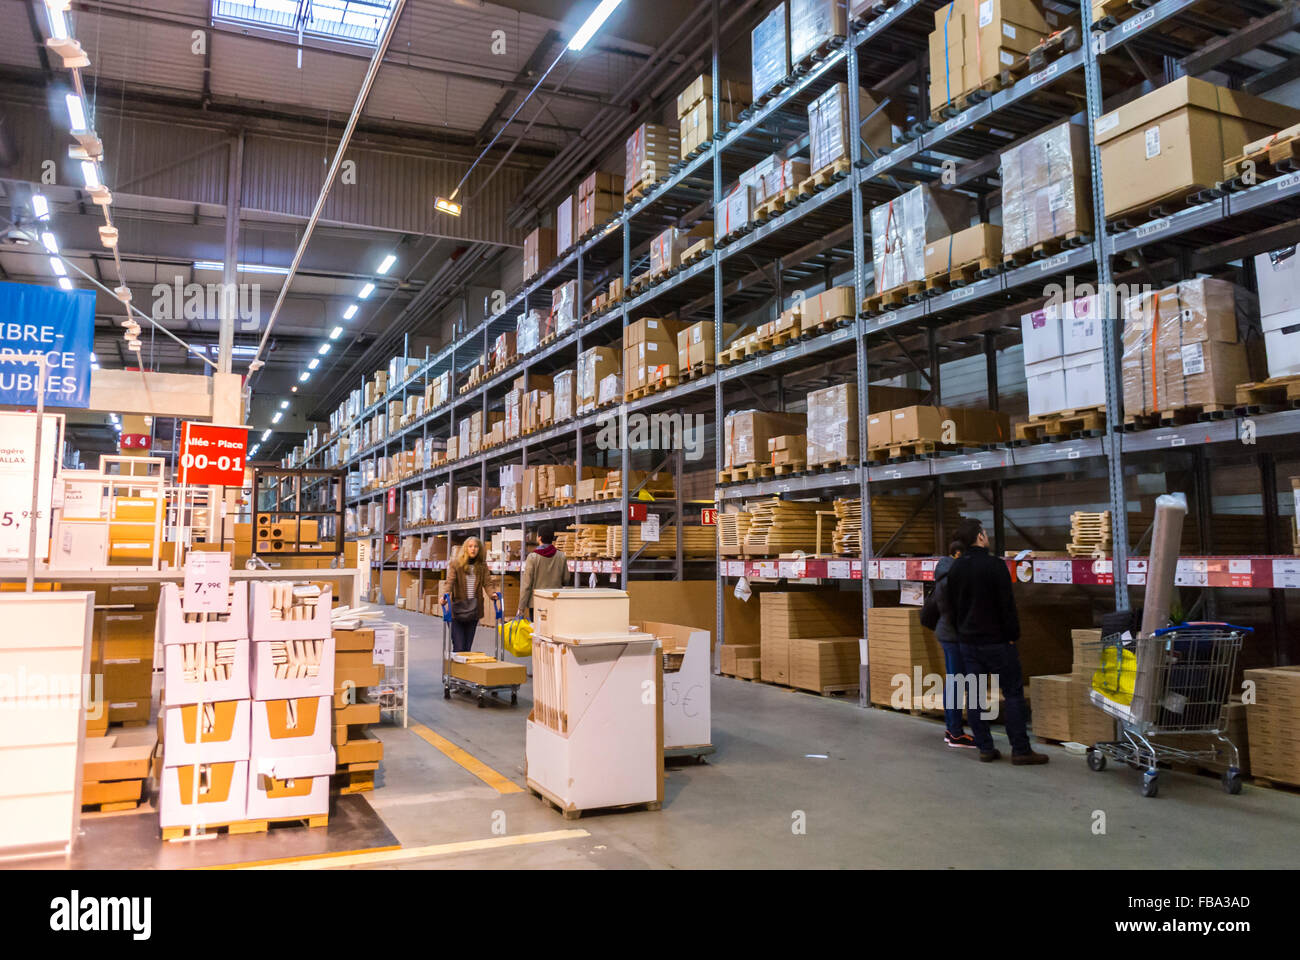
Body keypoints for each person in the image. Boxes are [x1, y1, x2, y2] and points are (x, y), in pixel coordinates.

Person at [942, 517, 1048, 765]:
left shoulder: (955, 569)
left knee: (976, 694)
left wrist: (962, 632)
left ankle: (985, 747)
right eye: (985, 533)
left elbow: (952, 608)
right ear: (980, 537)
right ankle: (1020, 750)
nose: (987, 536)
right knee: (1012, 693)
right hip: (998, 641)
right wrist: (1012, 637)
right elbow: (1007, 607)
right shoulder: (995, 566)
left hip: (968, 642)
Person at [931, 540, 976, 749]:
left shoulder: (945, 573)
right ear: (957, 554)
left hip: (948, 634)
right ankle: (955, 732)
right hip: (954, 635)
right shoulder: (951, 577)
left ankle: (952, 730)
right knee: (959, 682)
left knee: (954, 681)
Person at [447, 537, 490, 654]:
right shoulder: (456, 564)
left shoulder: (482, 566)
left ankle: (463, 672)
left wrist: (493, 594)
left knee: (467, 647)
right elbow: (450, 581)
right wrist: (445, 595)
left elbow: (488, 583)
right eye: (470, 546)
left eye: (476, 546)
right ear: (465, 548)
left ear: (479, 549)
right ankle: (455, 672)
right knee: (459, 645)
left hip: (473, 610)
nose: (473, 549)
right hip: (458, 610)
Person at [517, 524, 567, 620]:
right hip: (554, 600)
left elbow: (526, 585)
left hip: (536, 603)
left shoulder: (532, 557)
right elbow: (566, 579)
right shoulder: (561, 556)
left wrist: (521, 607)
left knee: (538, 631)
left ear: (539, 538)